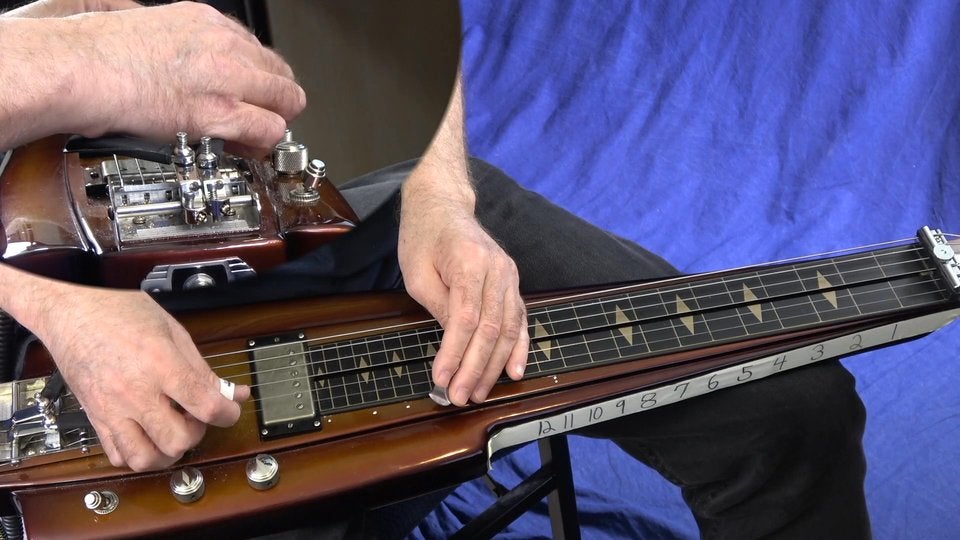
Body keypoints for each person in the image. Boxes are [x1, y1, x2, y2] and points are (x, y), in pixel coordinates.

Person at [0, 1, 870, 538]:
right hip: (41, 331)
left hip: (330, 221)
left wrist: (439, 192)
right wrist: (63, 312)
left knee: (789, 409)